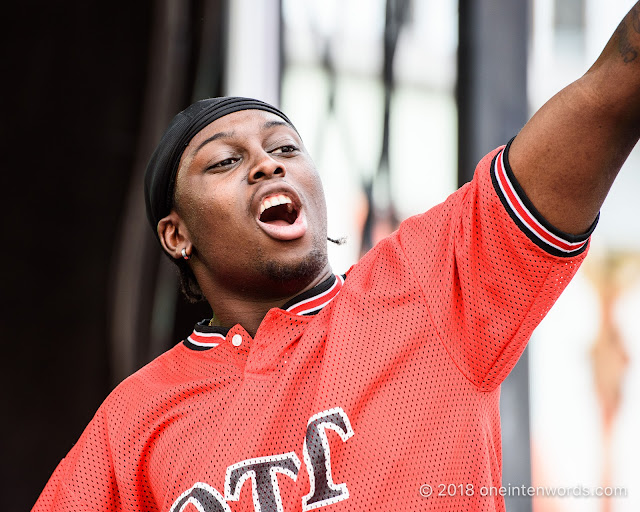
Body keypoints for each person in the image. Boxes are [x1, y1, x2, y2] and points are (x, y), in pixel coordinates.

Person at [33, 4, 640, 512]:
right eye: (224, 161)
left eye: (286, 149)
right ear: (176, 235)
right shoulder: (134, 420)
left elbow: (613, 87)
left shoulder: (426, 287)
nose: (268, 164)